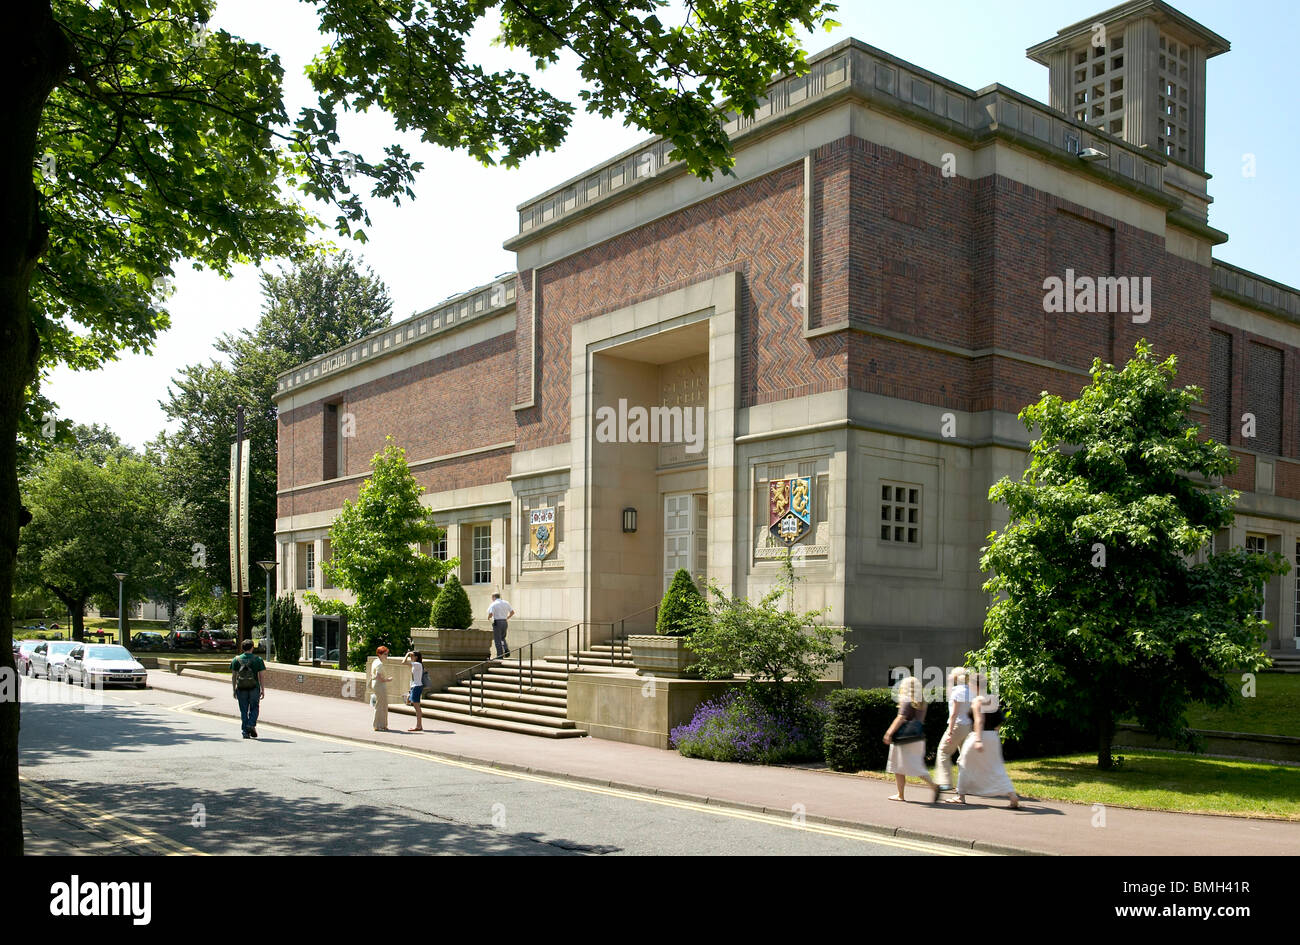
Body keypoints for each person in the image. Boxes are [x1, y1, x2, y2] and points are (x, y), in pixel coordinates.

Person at [950, 672, 1020, 808]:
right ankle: (1012, 797)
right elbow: (1000, 721)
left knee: (963, 763)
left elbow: (979, 720)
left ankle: (960, 796)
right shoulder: (993, 699)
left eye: (970, 683)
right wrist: (992, 736)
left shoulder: (977, 700)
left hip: (978, 735)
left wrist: (978, 740)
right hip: (993, 737)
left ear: (975, 685)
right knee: (996, 767)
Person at [883, 674, 940, 803]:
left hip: (903, 738)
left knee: (898, 766)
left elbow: (900, 718)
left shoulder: (906, 701)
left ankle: (900, 794)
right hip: (918, 737)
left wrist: (889, 733)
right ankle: (933, 786)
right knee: (916, 765)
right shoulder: (922, 701)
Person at [934, 667, 972, 791]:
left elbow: (954, 714)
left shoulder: (957, 692)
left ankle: (946, 782)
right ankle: (966, 785)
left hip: (958, 725)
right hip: (969, 726)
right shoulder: (971, 691)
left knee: (943, 751)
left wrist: (950, 731)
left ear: (956, 678)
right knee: (964, 756)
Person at [230, 639, 266, 739]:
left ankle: (245, 731)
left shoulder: (236, 659)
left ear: (242, 648)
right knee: (254, 707)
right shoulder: (258, 659)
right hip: (254, 687)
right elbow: (262, 676)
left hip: (241, 688)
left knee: (243, 710)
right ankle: (251, 724)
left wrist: (234, 689)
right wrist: (262, 689)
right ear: (252, 648)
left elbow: (233, 676)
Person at [370, 645, 394, 731]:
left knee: (381, 704)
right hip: (379, 685)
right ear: (379, 654)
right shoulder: (379, 664)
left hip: (376, 684)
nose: (386, 655)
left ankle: (381, 725)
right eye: (385, 654)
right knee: (381, 705)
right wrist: (387, 680)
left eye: (387, 654)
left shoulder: (375, 661)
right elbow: (378, 676)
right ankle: (378, 725)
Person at [403, 650, 426, 732]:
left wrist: (407, 653)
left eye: (412, 656)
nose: (410, 657)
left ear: (416, 657)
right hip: (414, 686)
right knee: (416, 706)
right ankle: (419, 725)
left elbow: (403, 662)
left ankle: (419, 726)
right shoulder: (415, 665)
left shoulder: (417, 664)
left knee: (417, 707)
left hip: (417, 687)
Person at [486, 593, 515, 659]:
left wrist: (488, 618)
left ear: (494, 597)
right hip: (504, 622)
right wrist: (507, 617)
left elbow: (490, 613)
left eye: (492, 597)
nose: (492, 599)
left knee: (497, 639)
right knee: (502, 638)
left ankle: (500, 655)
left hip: (497, 622)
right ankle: (506, 649)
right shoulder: (506, 603)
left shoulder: (494, 604)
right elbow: (512, 612)